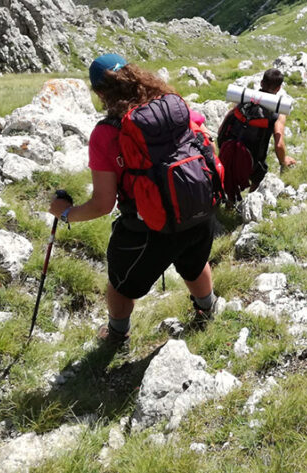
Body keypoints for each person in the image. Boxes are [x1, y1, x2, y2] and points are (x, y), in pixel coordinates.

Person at [47, 53, 220, 345]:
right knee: (194, 263)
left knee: (120, 286)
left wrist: (65, 213)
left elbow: (103, 204)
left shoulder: (106, 133)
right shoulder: (173, 107)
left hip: (148, 227)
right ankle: (208, 310)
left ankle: (116, 336)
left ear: (101, 93)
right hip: (198, 209)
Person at [217, 68, 297, 201]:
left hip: (228, 150)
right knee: (260, 175)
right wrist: (284, 161)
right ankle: (249, 202)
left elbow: (223, 128)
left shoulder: (243, 99)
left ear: (261, 83)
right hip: (252, 162)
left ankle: (229, 203)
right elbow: (279, 145)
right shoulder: (277, 113)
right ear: (278, 88)